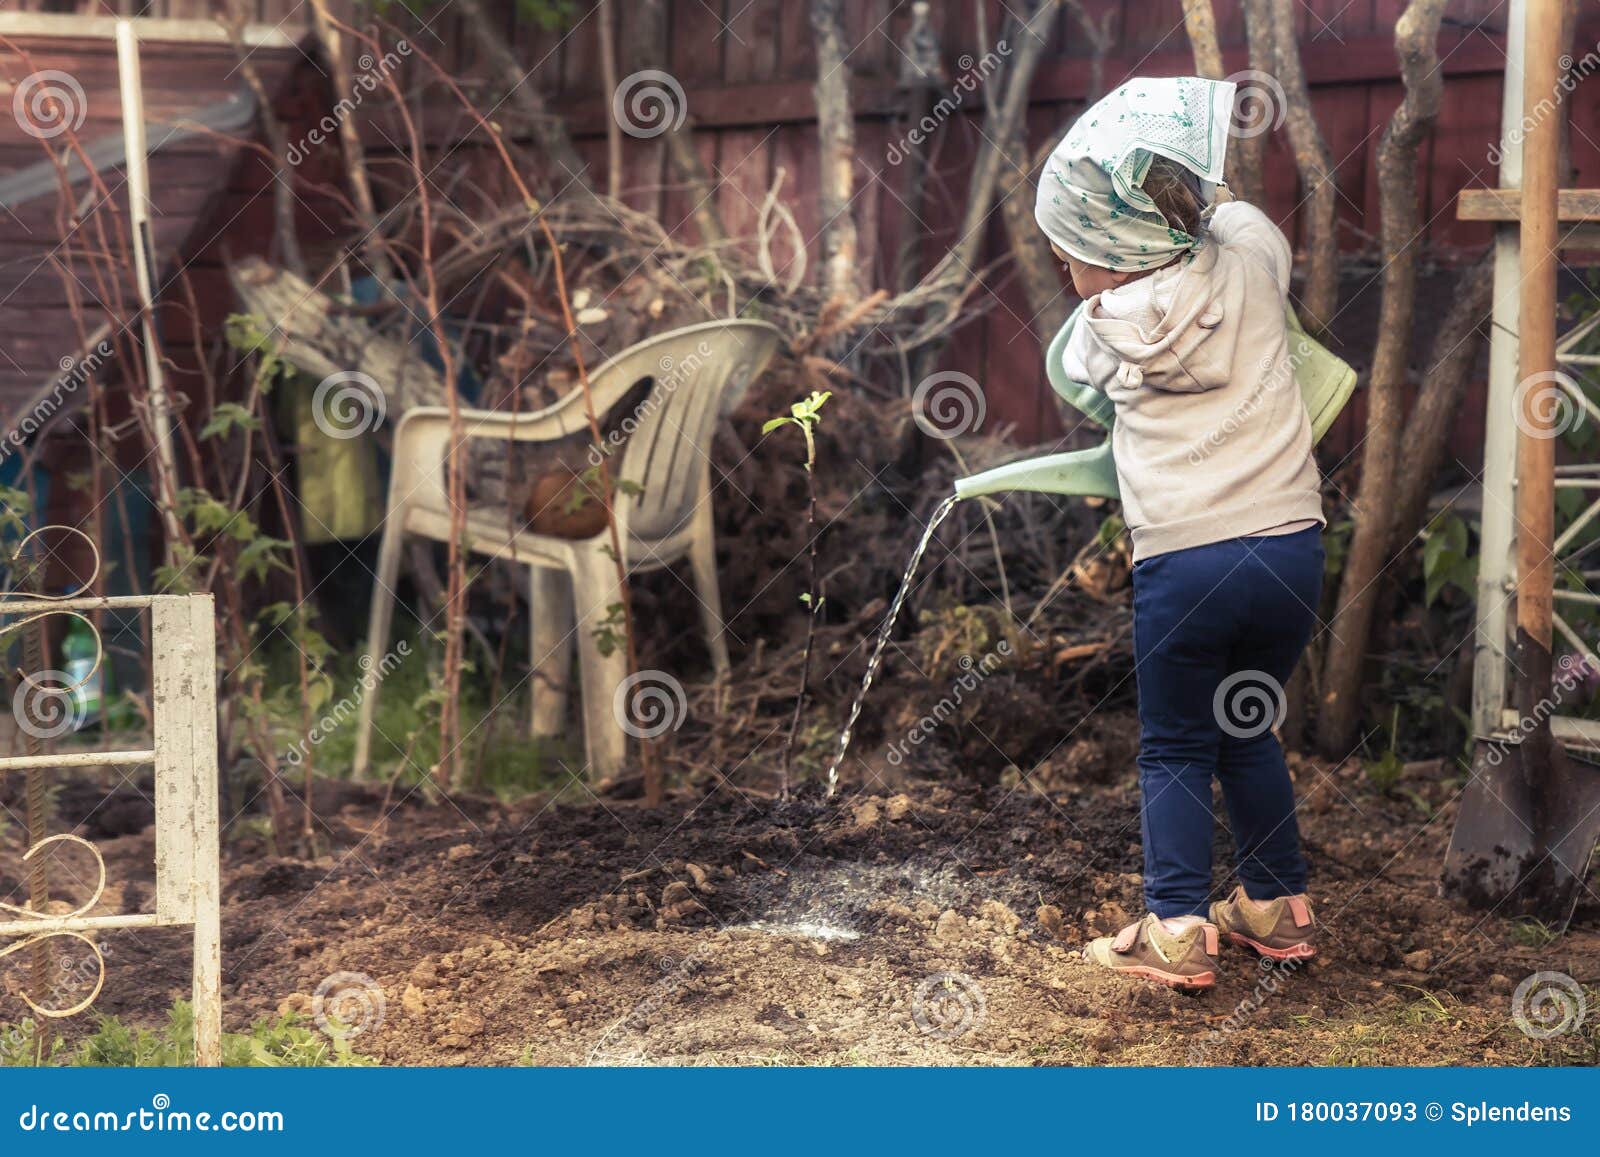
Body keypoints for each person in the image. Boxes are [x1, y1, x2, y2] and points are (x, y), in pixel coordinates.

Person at [1035, 77, 1324, 990]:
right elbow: (1240, 227)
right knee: (1249, 727)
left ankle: (1175, 931)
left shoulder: (1099, 332)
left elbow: (1078, 372)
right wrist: (1195, 194)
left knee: (1173, 744)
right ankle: (1276, 907)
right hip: (1288, 547)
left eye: (1071, 256)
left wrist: (1108, 288)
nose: (1066, 274)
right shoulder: (1250, 264)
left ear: (1109, 259)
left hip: (1183, 561)